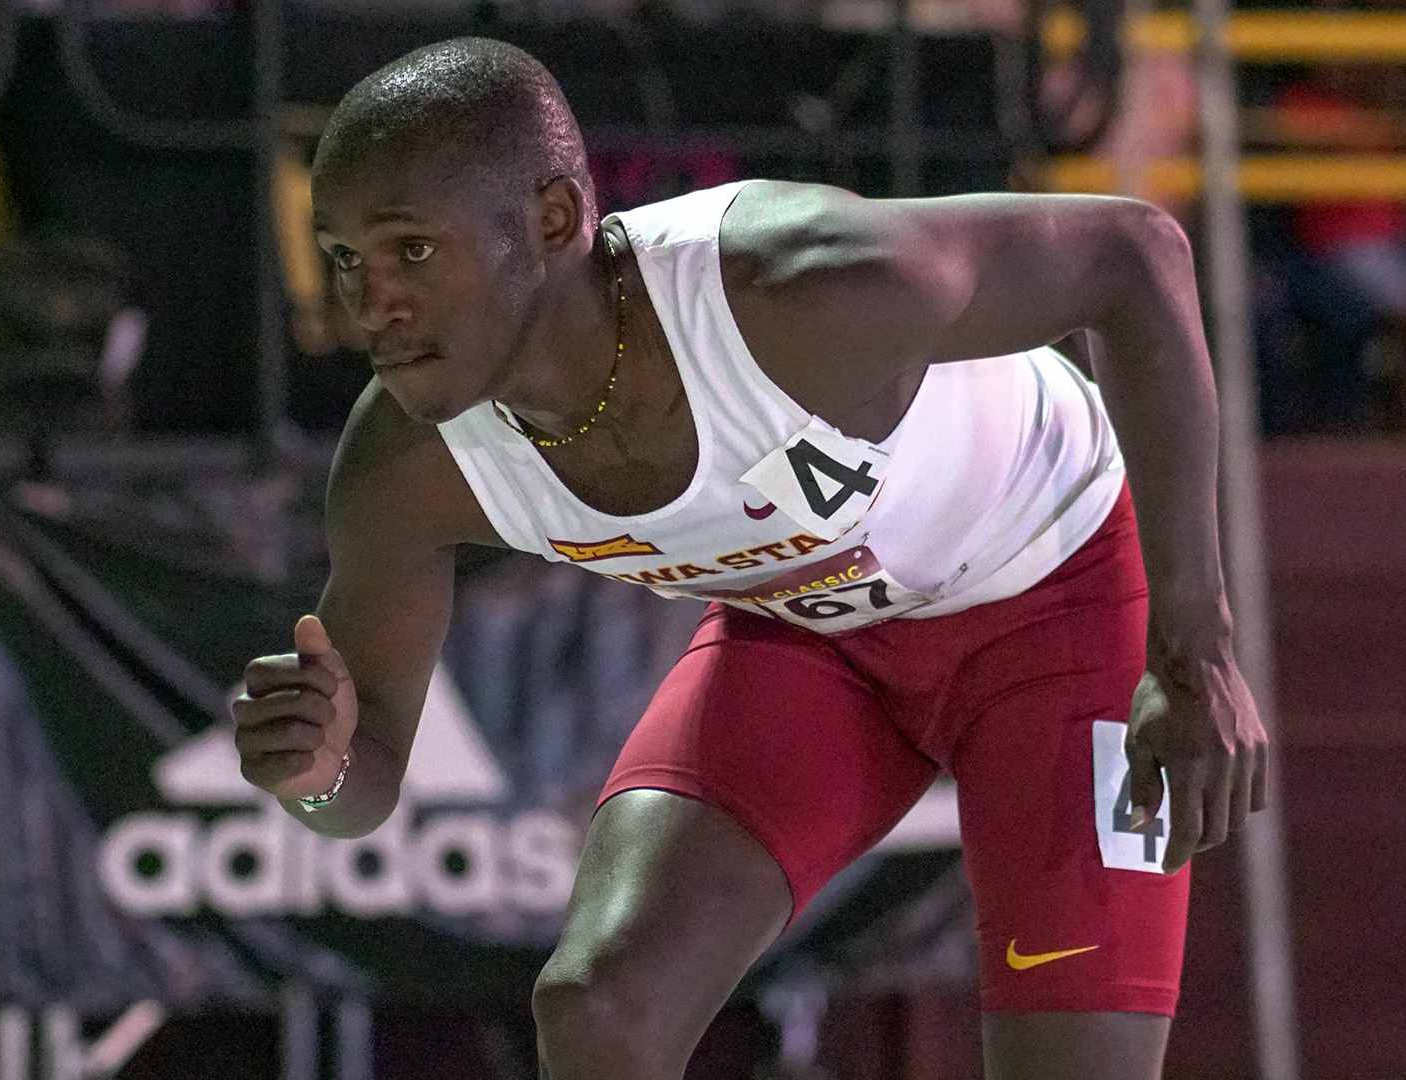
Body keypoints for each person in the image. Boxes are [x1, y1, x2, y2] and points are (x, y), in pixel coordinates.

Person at [232, 37, 1267, 1079]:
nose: (372, 305)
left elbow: (1137, 257)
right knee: (601, 1007)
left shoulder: (789, 288)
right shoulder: (406, 462)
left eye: (411, 251)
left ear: (552, 222)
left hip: (1057, 601)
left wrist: (1195, 651)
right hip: (813, 631)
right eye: (344, 259)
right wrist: (313, 774)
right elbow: (360, 787)